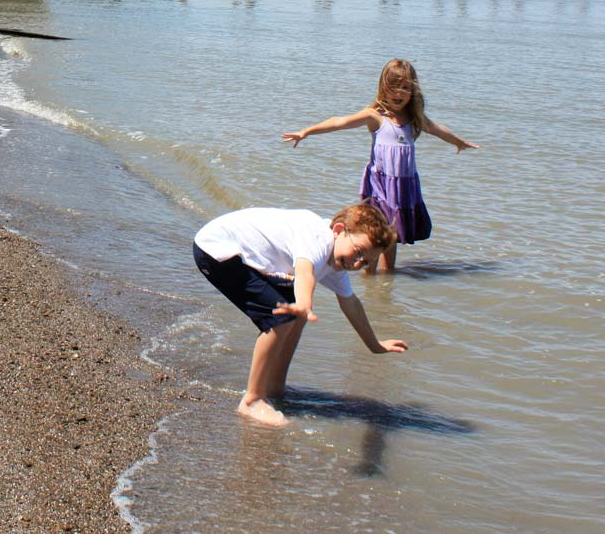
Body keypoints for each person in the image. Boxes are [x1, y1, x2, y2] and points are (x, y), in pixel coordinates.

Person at [193, 204, 407, 426]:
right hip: (215, 250)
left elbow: (351, 303)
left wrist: (375, 345)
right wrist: (304, 302)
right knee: (282, 318)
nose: (356, 263)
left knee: (294, 314)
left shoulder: (336, 262)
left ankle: (274, 387)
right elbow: (305, 273)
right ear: (339, 230)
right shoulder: (318, 237)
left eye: (365, 262)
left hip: (242, 256)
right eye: (359, 252)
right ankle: (252, 400)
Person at [281, 59, 477, 273]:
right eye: (395, 87)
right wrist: (306, 132)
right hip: (380, 184)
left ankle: (387, 276)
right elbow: (339, 122)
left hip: (404, 187)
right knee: (374, 231)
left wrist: (458, 142)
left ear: (413, 91)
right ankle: (369, 274)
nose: (399, 93)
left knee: (391, 235)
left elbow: (439, 130)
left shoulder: (414, 119)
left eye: (405, 88)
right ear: (384, 87)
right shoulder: (375, 117)